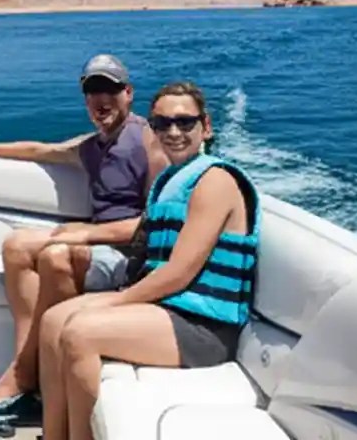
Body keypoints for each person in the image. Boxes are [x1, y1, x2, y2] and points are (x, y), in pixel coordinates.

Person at [0, 53, 168, 423]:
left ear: (128, 93)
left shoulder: (148, 141)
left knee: (56, 255)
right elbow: (41, 150)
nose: (101, 100)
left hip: (132, 258)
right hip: (100, 246)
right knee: (16, 246)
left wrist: (84, 233)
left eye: (109, 90)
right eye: (92, 91)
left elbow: (155, 223)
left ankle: (27, 375)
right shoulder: (92, 147)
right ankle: (29, 373)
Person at [37, 81, 262, 440]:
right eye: (162, 123)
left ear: (206, 126)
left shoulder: (215, 181)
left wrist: (113, 302)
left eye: (184, 122)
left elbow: (179, 273)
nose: (173, 132)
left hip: (204, 328)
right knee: (52, 321)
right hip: (168, 310)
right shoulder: (169, 182)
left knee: (80, 333)